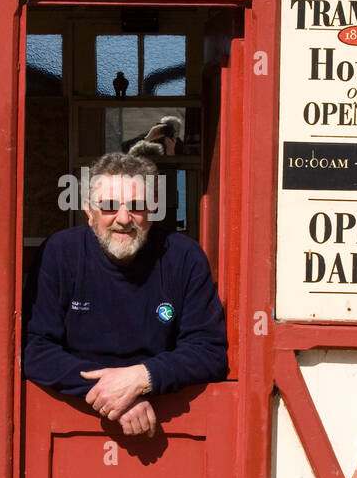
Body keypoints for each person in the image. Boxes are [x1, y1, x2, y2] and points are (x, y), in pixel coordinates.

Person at [22, 152, 228, 437]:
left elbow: (209, 351)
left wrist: (142, 378)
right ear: (88, 211)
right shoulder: (60, 253)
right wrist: (113, 394)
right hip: (70, 425)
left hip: (165, 428)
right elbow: (34, 349)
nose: (123, 219)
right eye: (108, 207)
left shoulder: (184, 257)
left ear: (153, 209)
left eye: (136, 206)